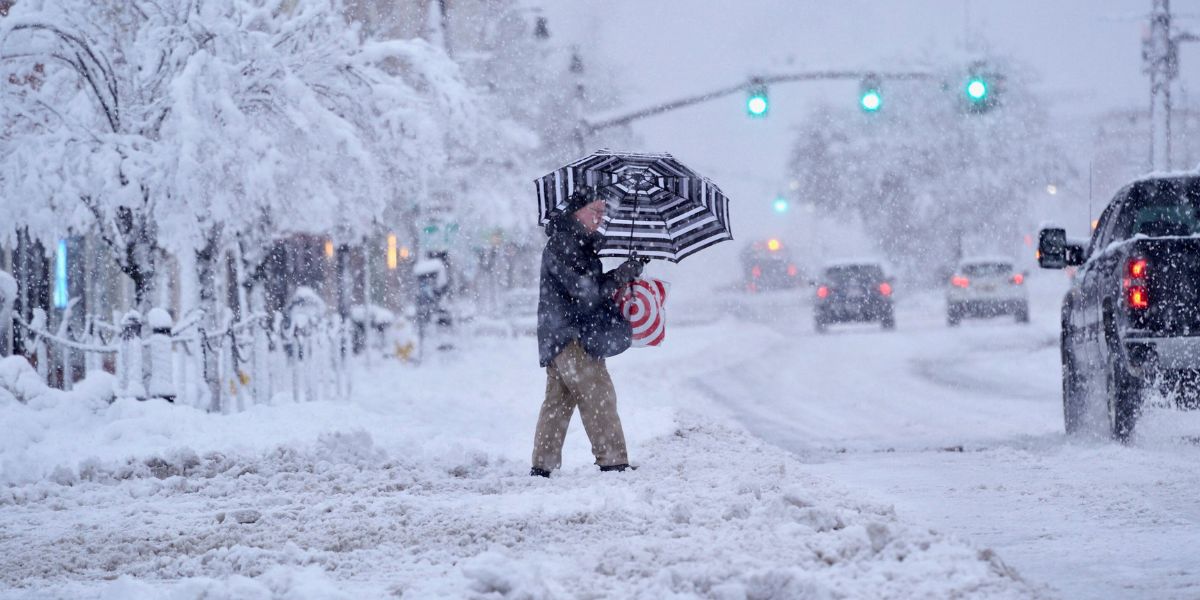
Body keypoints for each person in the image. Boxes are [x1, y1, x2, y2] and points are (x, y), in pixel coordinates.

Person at [531, 186, 643, 477]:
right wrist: (620, 275)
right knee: (599, 394)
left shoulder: (576, 243)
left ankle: (543, 466)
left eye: (602, 213)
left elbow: (587, 287)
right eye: (594, 212)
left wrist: (625, 270)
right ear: (575, 212)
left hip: (558, 335)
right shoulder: (566, 244)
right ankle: (613, 461)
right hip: (573, 336)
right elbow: (585, 292)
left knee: (558, 401)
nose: (598, 218)